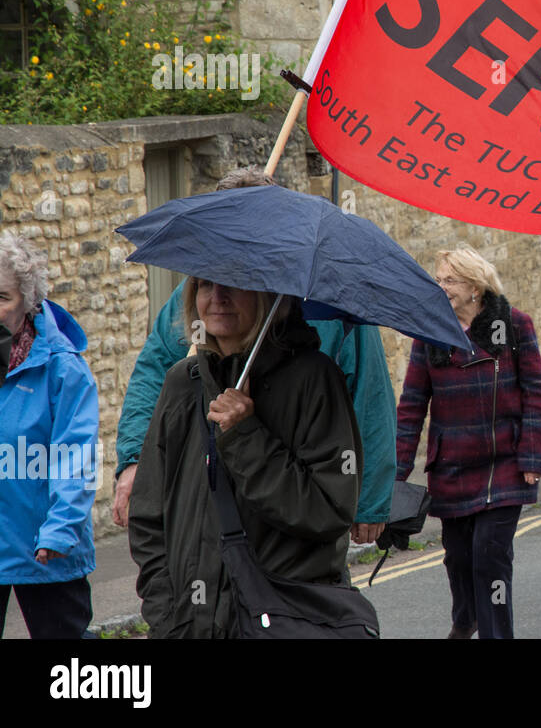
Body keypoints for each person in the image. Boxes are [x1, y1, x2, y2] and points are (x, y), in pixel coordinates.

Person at [113, 167, 396, 545]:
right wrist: (134, 461)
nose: (218, 295)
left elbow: (370, 395)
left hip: (297, 488)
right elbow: (152, 377)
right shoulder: (197, 296)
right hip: (209, 493)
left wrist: (371, 501)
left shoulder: (328, 305)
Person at [129, 279, 361, 638]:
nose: (218, 298)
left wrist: (245, 434)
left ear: (270, 298)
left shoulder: (314, 379)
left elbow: (328, 510)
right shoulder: (182, 383)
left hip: (281, 621)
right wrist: (168, 614)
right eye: (205, 286)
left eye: (235, 286)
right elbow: (148, 512)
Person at [395, 246, 541, 639]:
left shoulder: (514, 326)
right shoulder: (429, 332)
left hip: (505, 467)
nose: (440, 286)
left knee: (490, 557)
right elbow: (412, 406)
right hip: (452, 466)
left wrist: (533, 456)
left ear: (475, 286)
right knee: (459, 558)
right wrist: (395, 475)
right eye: (438, 279)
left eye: (449, 279)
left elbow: (536, 393)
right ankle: (466, 619)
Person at [0, 233, 98, 638]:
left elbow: (76, 456)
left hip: (44, 546)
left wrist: (61, 528)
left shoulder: (63, 368)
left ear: (28, 300)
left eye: (2, 297)